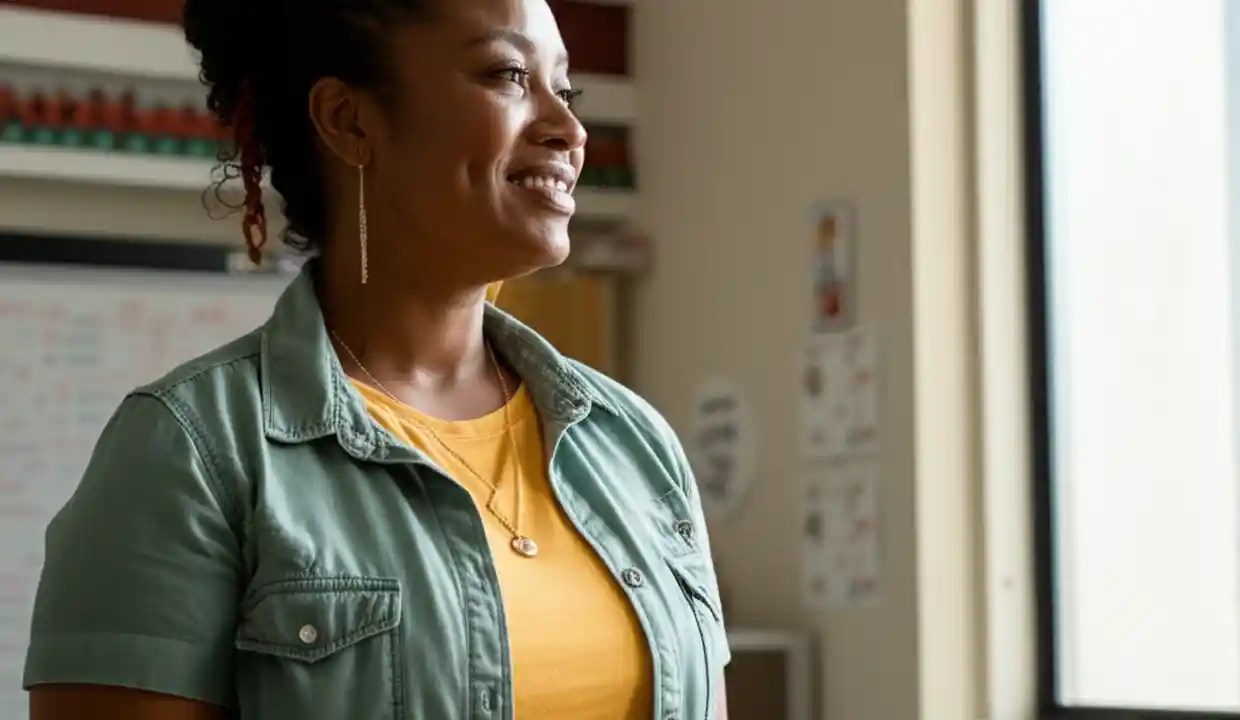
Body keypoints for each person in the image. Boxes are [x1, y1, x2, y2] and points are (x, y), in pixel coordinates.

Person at [23, 1, 731, 718]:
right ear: (348, 120)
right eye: (509, 74)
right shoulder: (193, 452)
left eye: (566, 89)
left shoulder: (632, 443)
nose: (569, 128)